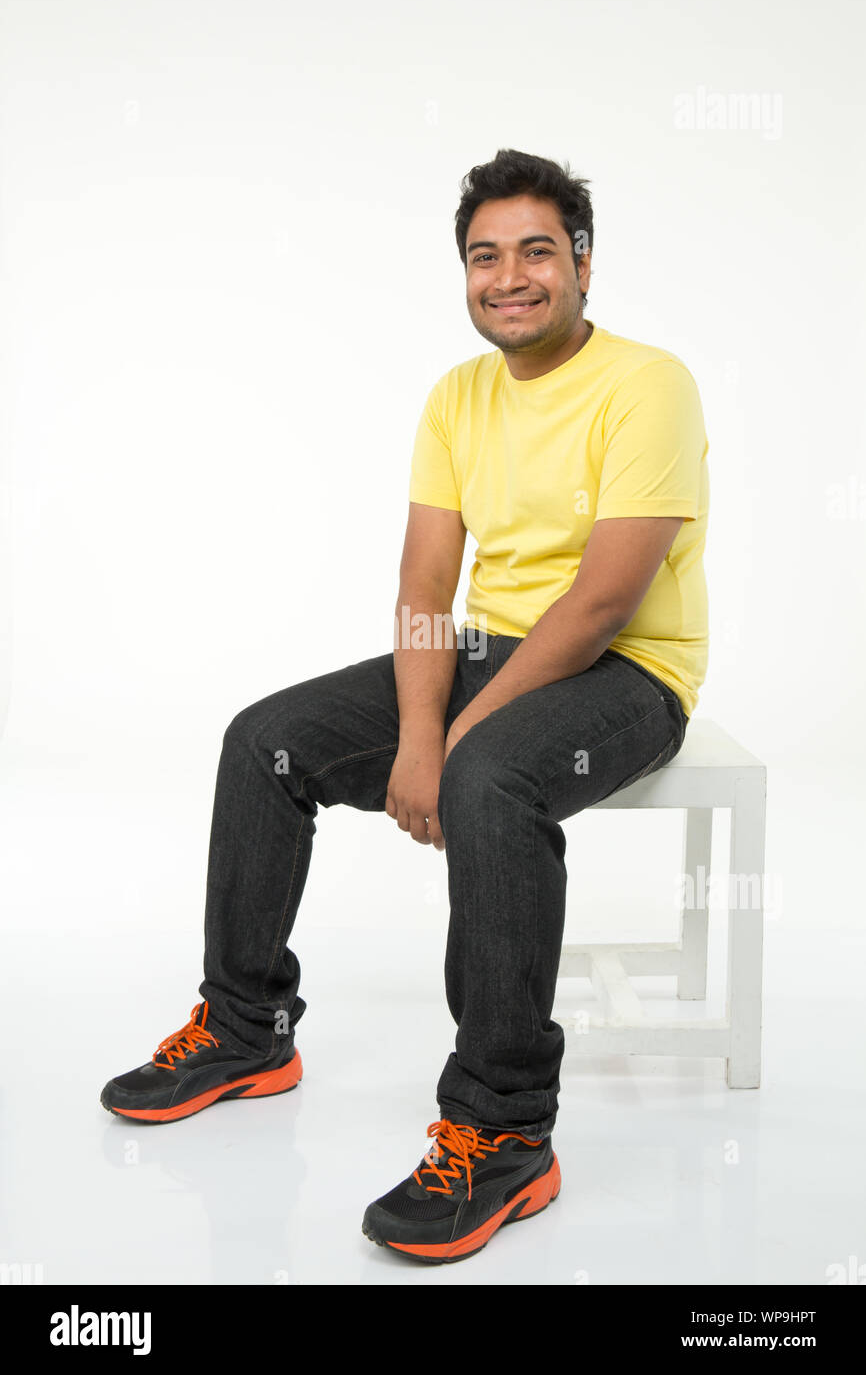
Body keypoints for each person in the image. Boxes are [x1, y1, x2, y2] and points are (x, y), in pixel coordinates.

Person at [101, 147, 709, 1266]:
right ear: (464, 273)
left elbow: (600, 602)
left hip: (626, 672)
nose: (508, 276)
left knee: (489, 778)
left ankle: (503, 1127)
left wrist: (458, 741)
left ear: (581, 263)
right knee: (264, 742)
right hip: (480, 651)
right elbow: (428, 587)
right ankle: (245, 1030)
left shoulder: (646, 382)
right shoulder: (456, 394)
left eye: (535, 250)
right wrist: (422, 726)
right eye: (484, 256)